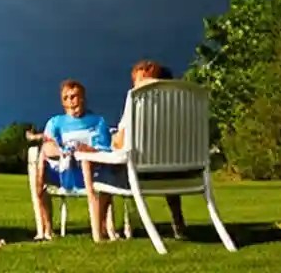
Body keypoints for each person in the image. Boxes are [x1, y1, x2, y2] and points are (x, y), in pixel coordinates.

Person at [93, 60, 187, 240]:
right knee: (165, 161)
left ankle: (102, 230)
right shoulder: (181, 104)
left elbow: (121, 142)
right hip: (178, 173)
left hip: (141, 173)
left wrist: (113, 141)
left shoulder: (137, 101)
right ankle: (178, 221)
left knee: (103, 175)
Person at [32, 79, 110, 241]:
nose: (71, 101)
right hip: (63, 170)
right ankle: (47, 230)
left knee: (108, 175)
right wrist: (65, 152)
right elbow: (48, 146)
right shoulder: (55, 122)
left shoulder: (98, 121)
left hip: (93, 173)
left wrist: (88, 150)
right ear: (62, 102)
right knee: (42, 156)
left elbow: (105, 150)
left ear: (83, 98)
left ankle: (100, 227)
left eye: (74, 96)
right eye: (66, 98)